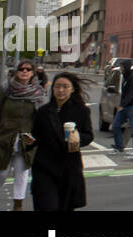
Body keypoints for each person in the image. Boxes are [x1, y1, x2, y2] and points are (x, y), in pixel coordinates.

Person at [0, 61, 45, 210]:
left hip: (26, 141)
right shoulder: (6, 89)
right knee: (1, 173)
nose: (24, 71)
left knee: (22, 174)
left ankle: (18, 205)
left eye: (28, 69)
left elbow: (41, 117)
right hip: (4, 138)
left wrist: (36, 135)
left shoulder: (38, 93)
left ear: (32, 73)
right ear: (16, 72)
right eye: (21, 69)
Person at [30, 72, 94, 211]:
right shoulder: (43, 112)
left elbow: (89, 135)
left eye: (65, 87)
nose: (60, 90)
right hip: (44, 168)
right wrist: (28, 141)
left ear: (72, 89)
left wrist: (78, 138)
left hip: (69, 168)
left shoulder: (81, 111)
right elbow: (35, 136)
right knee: (47, 206)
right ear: (52, 89)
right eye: (57, 86)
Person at [112, 60, 133, 156]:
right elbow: (124, 94)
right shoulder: (124, 77)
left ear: (126, 67)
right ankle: (119, 147)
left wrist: (122, 105)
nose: (120, 69)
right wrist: (121, 103)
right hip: (125, 105)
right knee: (115, 125)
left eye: (121, 67)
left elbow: (131, 94)